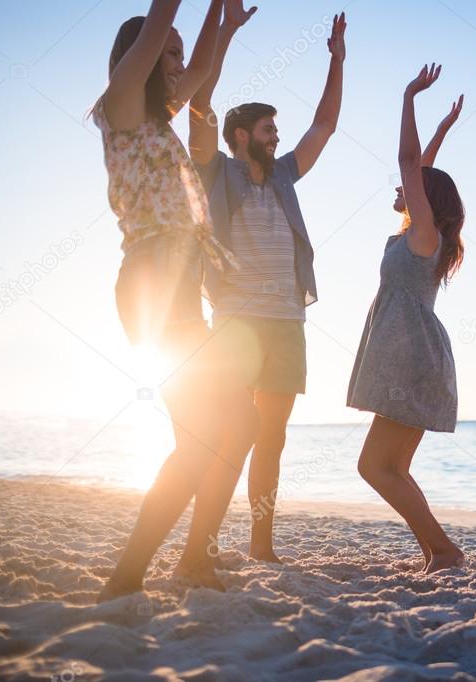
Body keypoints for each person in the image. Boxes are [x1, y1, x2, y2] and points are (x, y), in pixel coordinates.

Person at [92, 0, 259, 600]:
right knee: (205, 434)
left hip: (180, 281)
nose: (178, 63)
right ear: (135, 57)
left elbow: (204, 69)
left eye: (178, 55)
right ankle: (129, 576)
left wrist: (224, 20)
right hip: (152, 280)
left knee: (239, 422)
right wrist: (176, 21)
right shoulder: (121, 102)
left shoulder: (159, 116)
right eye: (168, 52)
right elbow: (159, 22)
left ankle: (192, 559)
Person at [189, 9, 346, 564]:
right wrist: (227, 31)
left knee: (272, 437)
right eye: (267, 130)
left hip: (287, 320)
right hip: (235, 319)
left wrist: (337, 60)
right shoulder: (216, 170)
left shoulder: (284, 175)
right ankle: (204, 540)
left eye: (277, 131)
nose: (276, 137)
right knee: (234, 431)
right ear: (241, 136)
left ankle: (261, 545)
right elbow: (200, 105)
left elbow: (324, 126)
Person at [348, 64, 465, 574]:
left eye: (411, 186)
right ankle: (439, 552)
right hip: (412, 355)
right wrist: (440, 130)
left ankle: (444, 550)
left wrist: (409, 97)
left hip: (410, 359)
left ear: (424, 199)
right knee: (391, 466)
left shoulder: (424, 235)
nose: (400, 185)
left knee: (374, 466)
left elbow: (410, 163)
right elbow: (422, 168)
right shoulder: (420, 233)